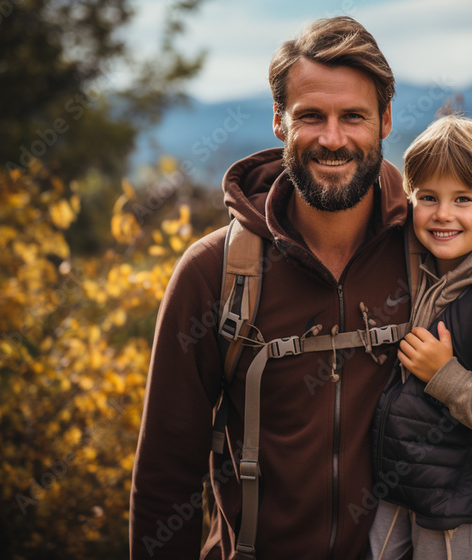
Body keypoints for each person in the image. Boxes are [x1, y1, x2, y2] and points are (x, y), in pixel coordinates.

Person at [129, 17, 411, 559]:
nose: (333, 139)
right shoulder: (213, 272)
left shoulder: (429, 255)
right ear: (280, 121)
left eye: (354, 116)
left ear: (386, 121)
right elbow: (167, 475)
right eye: (311, 116)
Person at [368, 116, 472, 560]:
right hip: (405, 486)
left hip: (461, 505)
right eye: (428, 197)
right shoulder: (425, 275)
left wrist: (445, 376)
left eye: (463, 199)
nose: (443, 213)